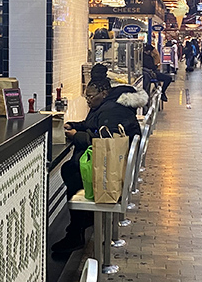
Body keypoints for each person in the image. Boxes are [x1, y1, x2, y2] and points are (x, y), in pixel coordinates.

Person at [52, 65, 148, 254]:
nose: (88, 101)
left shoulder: (110, 110)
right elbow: (93, 125)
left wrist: (75, 136)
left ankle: (77, 230)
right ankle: (83, 221)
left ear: (104, 93)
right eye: (86, 96)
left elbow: (105, 139)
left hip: (112, 168)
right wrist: (76, 125)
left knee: (72, 171)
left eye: (91, 96)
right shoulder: (108, 105)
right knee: (71, 169)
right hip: (116, 162)